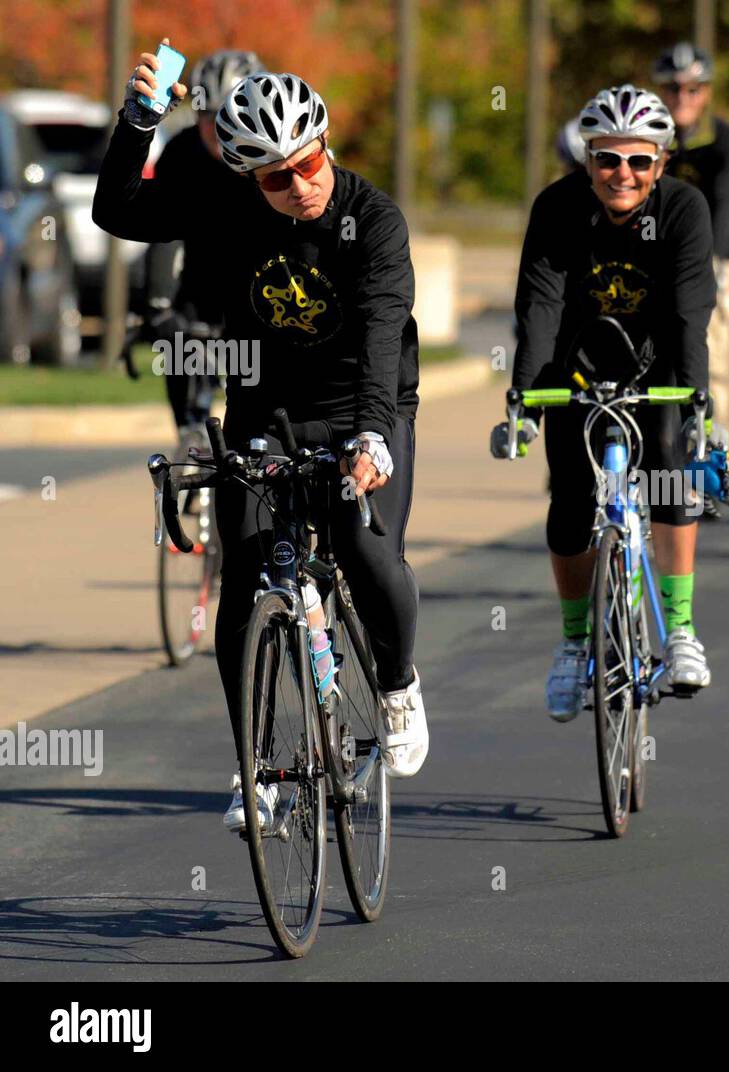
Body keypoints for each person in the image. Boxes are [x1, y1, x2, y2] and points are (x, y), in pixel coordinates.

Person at [93, 41, 429, 833]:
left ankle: (398, 684)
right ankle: (253, 768)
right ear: (249, 178)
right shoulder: (227, 208)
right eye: (277, 177)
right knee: (245, 580)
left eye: (309, 163)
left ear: (327, 147)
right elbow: (117, 212)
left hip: (362, 408)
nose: (301, 185)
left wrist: (374, 437)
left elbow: (383, 336)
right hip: (266, 413)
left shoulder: (373, 219)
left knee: (363, 544)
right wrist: (139, 120)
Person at [490, 84, 718, 721]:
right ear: (587, 160)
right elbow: (539, 307)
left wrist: (696, 397)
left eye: (639, 161)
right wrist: (526, 402)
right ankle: (573, 643)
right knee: (569, 496)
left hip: (658, 367)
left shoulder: (684, 210)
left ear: (661, 163)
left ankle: (678, 630)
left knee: (673, 468)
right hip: (577, 368)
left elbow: (689, 311)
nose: (623, 173)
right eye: (608, 159)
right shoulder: (557, 207)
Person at [144, 49, 262, 434]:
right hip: (200, 292)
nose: (213, 128)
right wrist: (158, 307)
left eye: (225, 117)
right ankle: (187, 446)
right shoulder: (180, 154)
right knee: (181, 359)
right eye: (205, 116)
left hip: (261, 292)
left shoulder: (269, 157)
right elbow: (162, 234)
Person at [653, 42, 729, 437]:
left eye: (693, 89)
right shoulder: (651, 137)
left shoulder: (727, 140)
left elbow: (726, 209)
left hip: (709, 261)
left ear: (706, 92)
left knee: (710, 360)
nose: (682, 97)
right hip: (654, 261)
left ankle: (713, 451)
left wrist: (717, 265)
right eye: (673, 88)